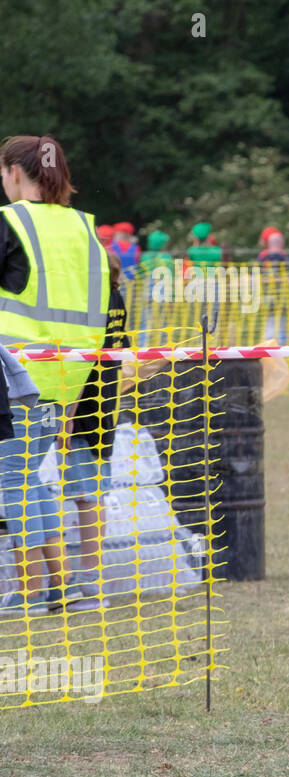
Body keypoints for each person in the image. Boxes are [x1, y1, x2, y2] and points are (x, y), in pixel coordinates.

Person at [0, 135, 111, 614]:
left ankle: (30, 593)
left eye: (2, 172)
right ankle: (61, 585)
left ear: (16, 173)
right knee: (27, 479)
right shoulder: (87, 231)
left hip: (15, 375)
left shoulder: (11, 222)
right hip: (67, 380)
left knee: (12, 481)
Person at [60, 249, 131, 613]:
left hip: (84, 405)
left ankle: (85, 582)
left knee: (84, 493)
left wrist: (67, 415)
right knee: (95, 493)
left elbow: (80, 362)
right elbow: (125, 354)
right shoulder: (116, 297)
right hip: (107, 406)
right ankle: (93, 577)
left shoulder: (89, 302)